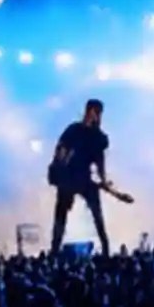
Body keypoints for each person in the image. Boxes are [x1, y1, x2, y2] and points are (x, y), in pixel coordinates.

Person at [49, 99, 111, 256]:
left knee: (97, 213)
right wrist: (58, 166)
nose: (97, 116)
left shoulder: (99, 137)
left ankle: (105, 248)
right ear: (89, 111)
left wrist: (103, 181)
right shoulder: (74, 130)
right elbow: (61, 149)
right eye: (95, 112)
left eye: (99, 113)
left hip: (83, 178)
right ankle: (55, 249)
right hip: (68, 177)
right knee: (61, 213)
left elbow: (99, 161)